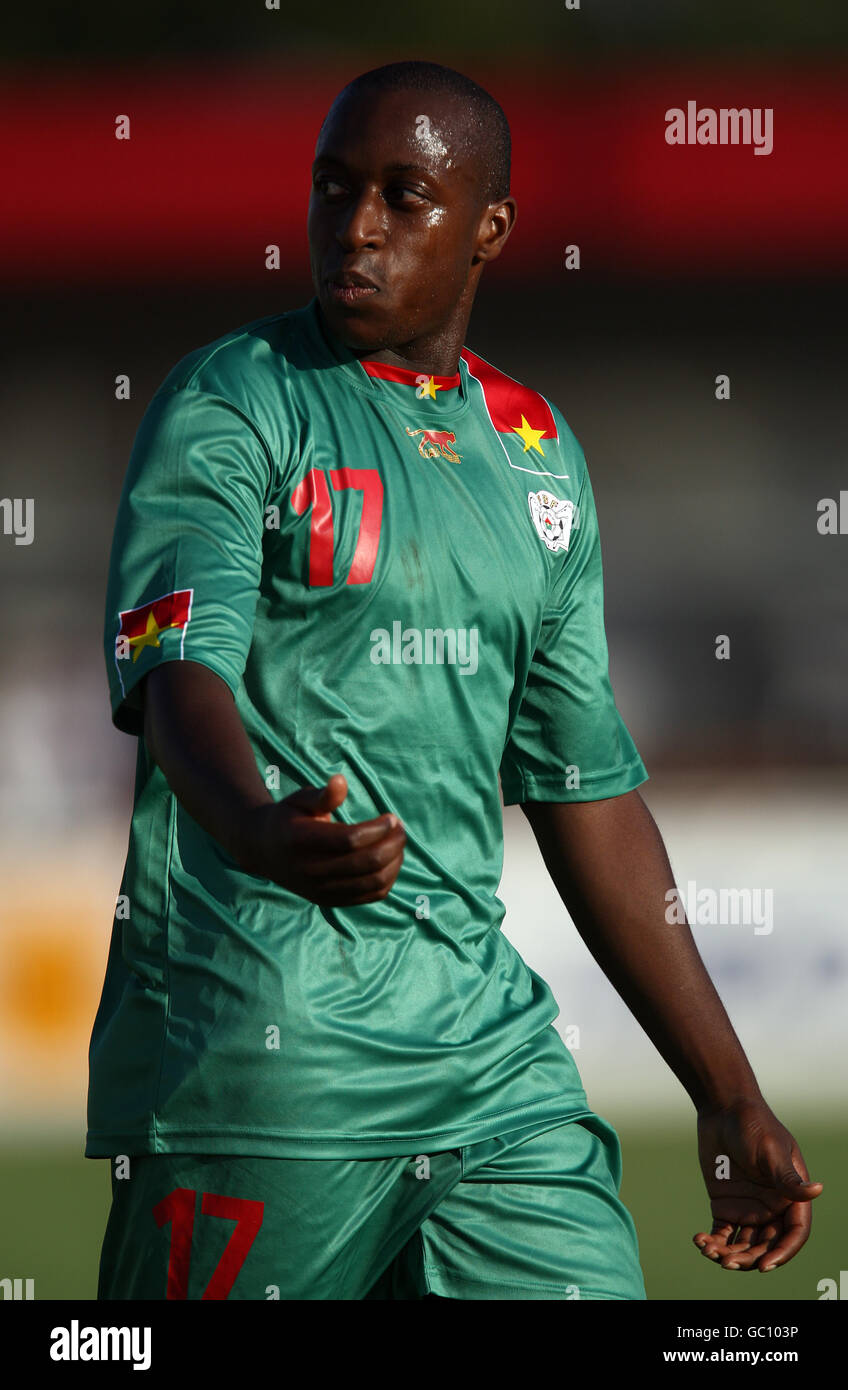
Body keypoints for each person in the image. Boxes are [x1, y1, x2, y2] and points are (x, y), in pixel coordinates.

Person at [87, 60, 822, 1300]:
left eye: (402, 194)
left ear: (490, 229)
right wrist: (261, 827)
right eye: (332, 188)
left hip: (491, 1076)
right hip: (265, 1061)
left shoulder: (535, 456)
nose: (355, 225)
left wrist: (727, 1090)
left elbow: (584, 790)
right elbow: (179, 685)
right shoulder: (232, 405)